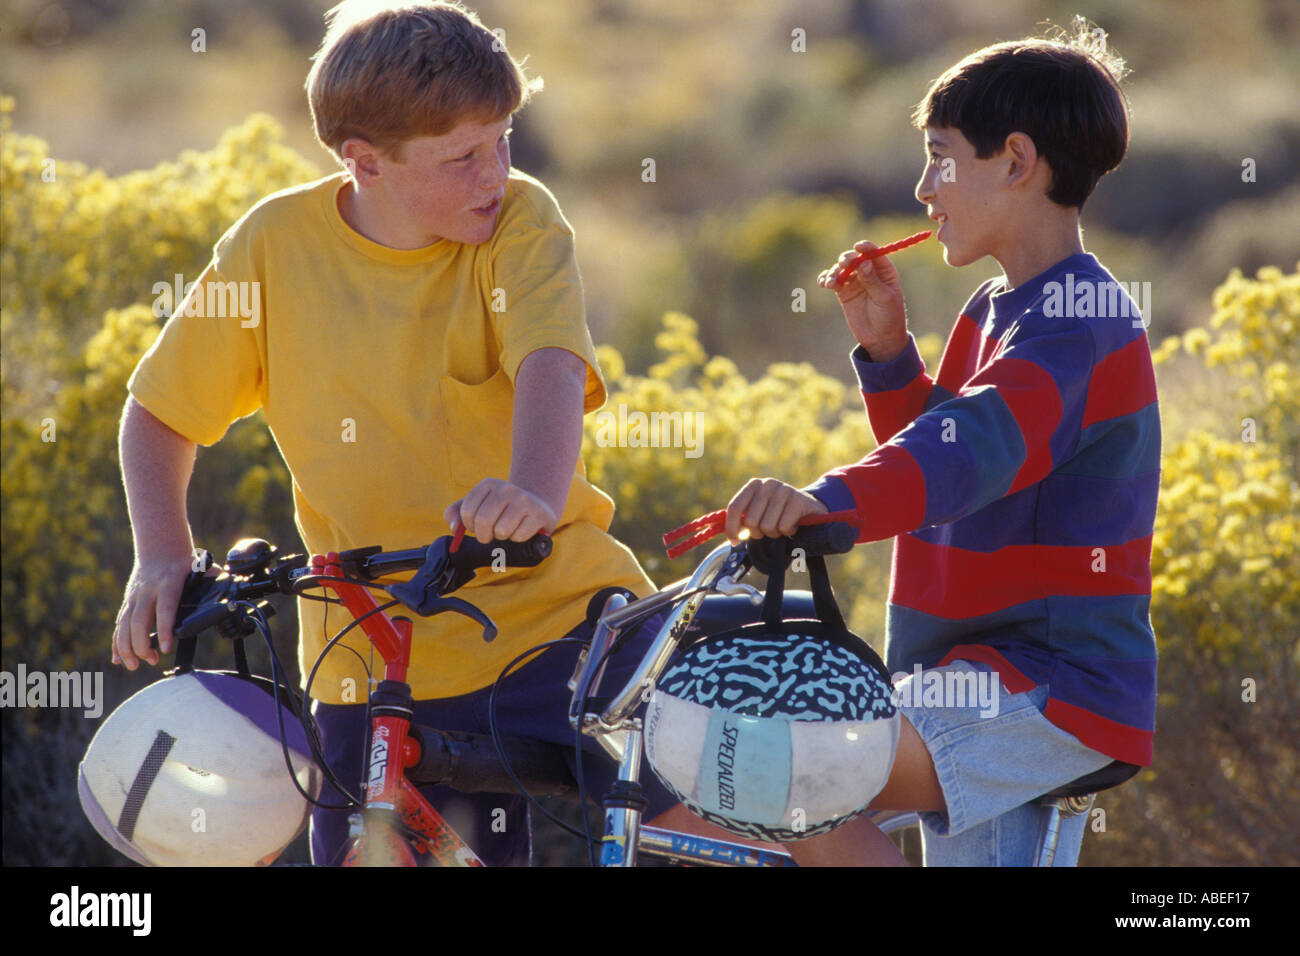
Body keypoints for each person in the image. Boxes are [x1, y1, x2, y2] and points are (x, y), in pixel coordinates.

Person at [112, 0, 707, 866]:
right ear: (365, 163)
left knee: (734, 816)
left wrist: (534, 494)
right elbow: (161, 411)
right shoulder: (272, 247)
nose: (495, 172)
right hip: (367, 658)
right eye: (463, 156)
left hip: (561, 625)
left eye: (503, 138)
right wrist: (162, 553)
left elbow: (550, 362)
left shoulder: (519, 223)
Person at [723, 24, 1158, 866]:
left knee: (795, 783)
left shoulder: (1081, 321)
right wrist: (890, 357)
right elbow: (960, 467)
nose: (924, 187)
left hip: (1045, 687)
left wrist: (829, 500)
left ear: (1016, 161)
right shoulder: (996, 310)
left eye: (940, 157)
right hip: (969, 675)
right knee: (787, 793)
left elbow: (971, 450)